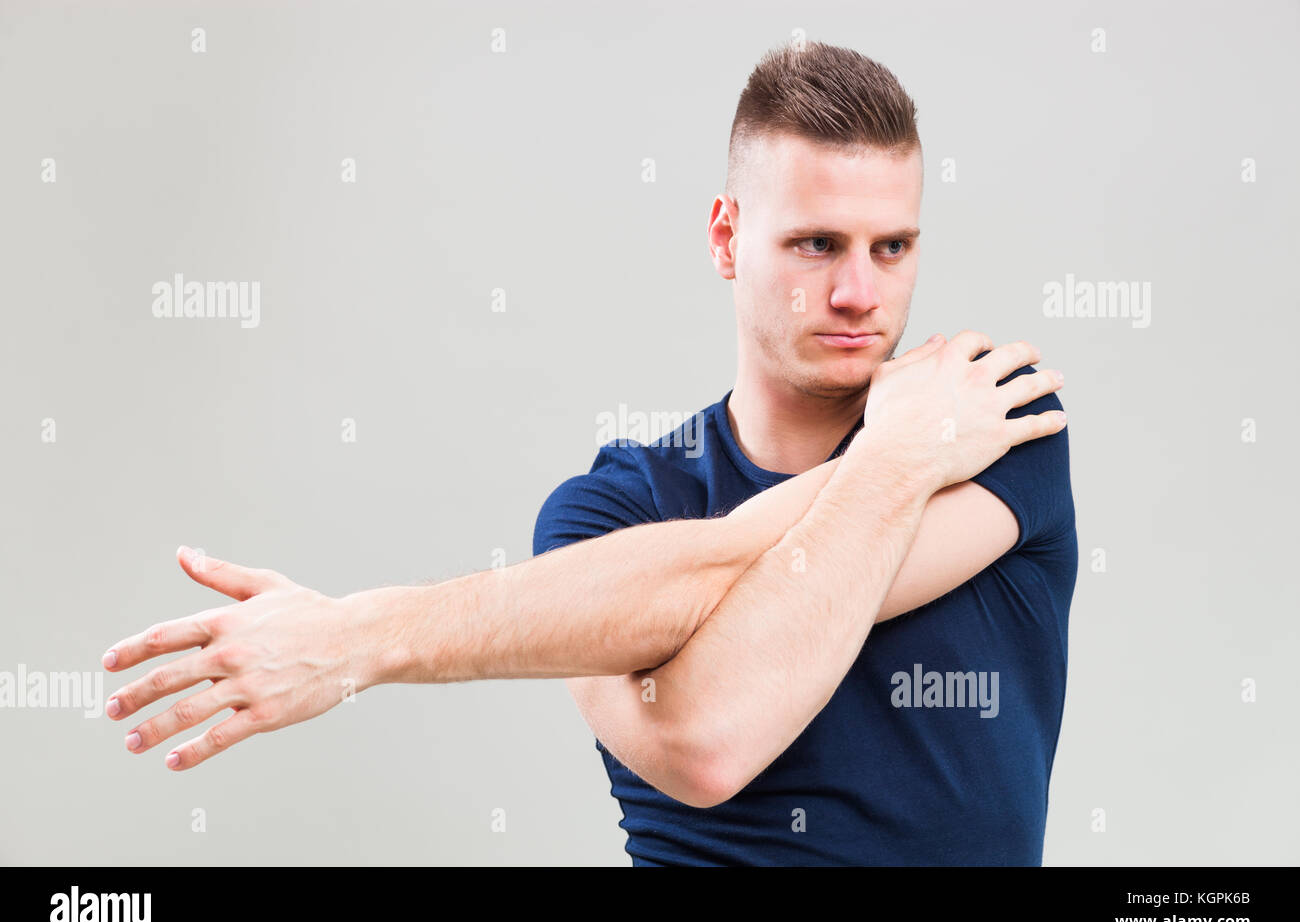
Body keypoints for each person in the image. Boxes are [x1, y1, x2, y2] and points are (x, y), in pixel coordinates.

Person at [102, 42, 1073, 866]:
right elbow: (706, 740)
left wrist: (361, 635)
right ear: (727, 237)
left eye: (892, 247)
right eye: (818, 244)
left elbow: (743, 571)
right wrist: (899, 459)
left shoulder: (994, 424)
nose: (861, 293)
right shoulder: (610, 511)